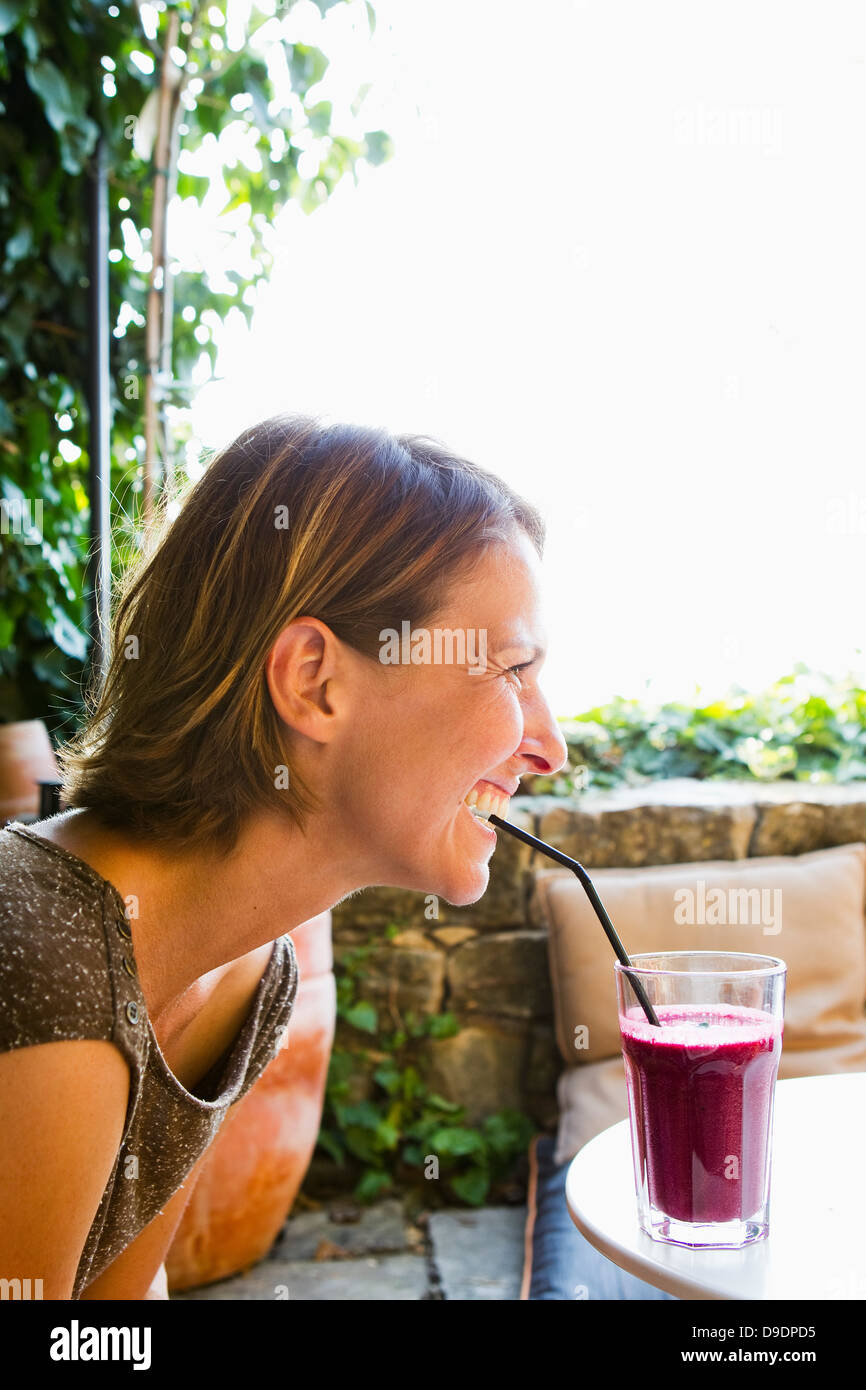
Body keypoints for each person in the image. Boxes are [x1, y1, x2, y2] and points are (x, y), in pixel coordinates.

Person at [0, 412, 568, 1300]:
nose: (550, 747)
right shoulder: (49, 960)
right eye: (510, 672)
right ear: (313, 681)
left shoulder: (245, 973)